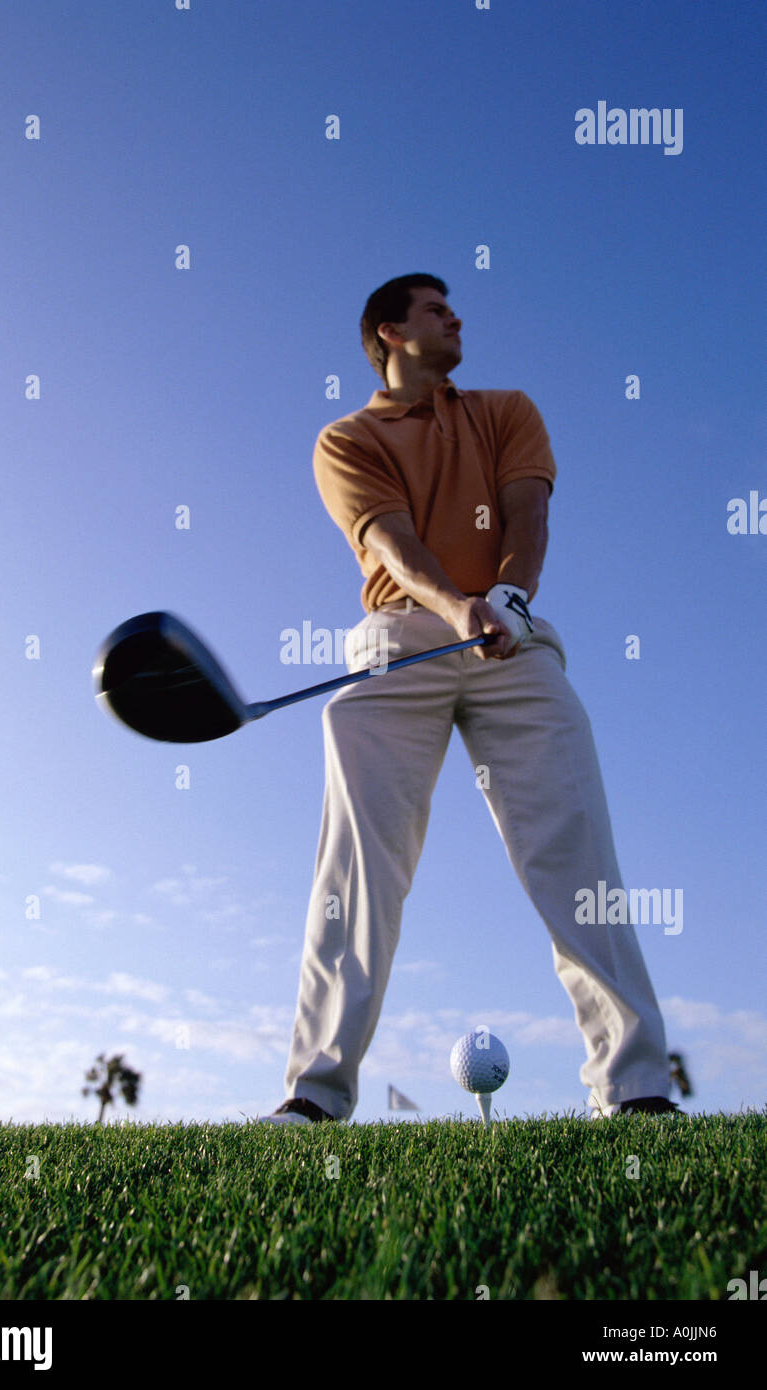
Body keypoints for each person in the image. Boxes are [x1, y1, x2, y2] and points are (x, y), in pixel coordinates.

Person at [260, 273, 677, 1125]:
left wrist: (510, 601)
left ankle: (633, 1087)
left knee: (574, 847)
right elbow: (391, 540)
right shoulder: (346, 438)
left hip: (512, 639)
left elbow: (528, 515)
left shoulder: (506, 409)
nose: (457, 318)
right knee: (360, 865)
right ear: (389, 332)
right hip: (402, 638)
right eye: (436, 310)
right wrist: (460, 607)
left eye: (454, 306)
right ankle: (316, 1092)